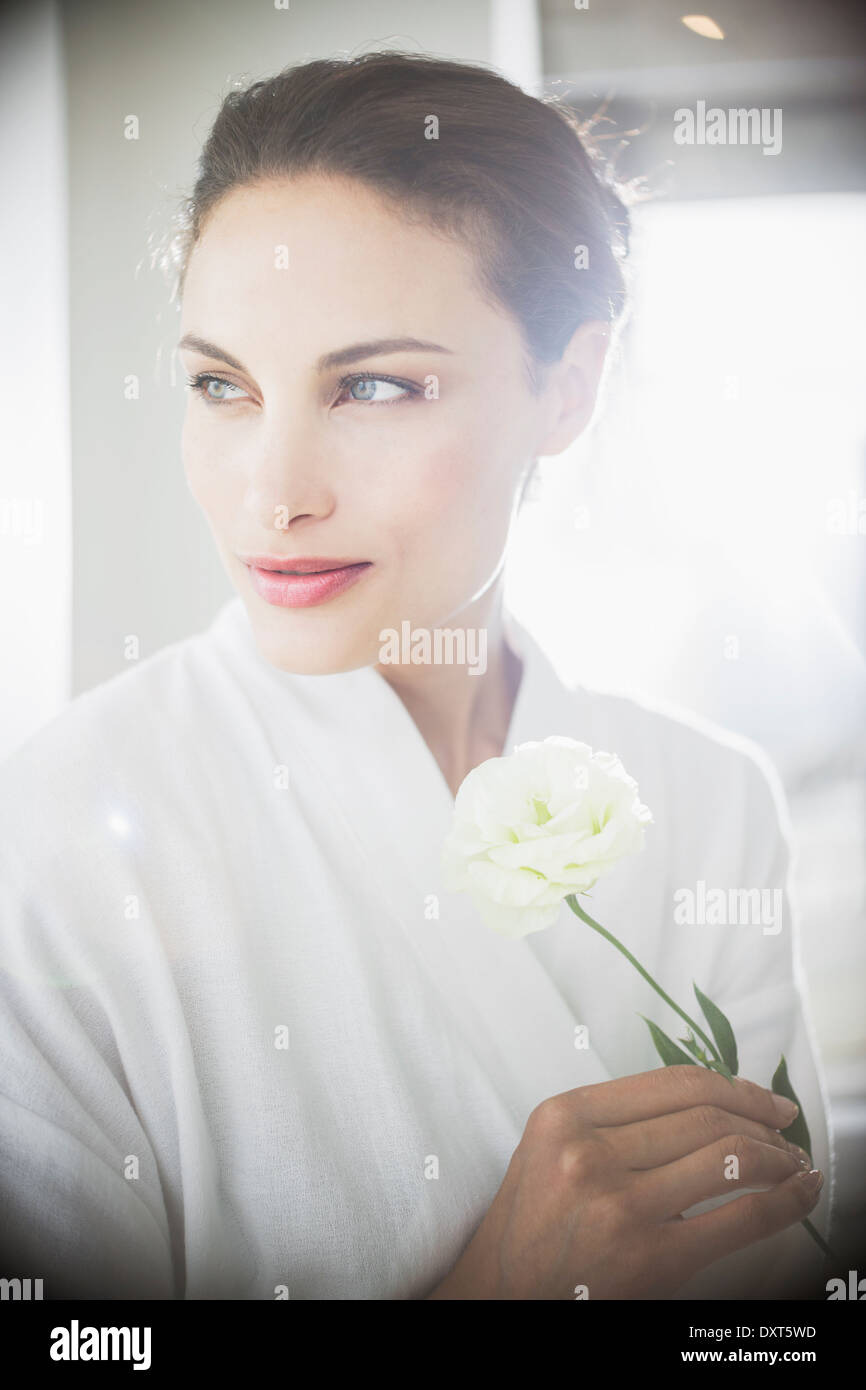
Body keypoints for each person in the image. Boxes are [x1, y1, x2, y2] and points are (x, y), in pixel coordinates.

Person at [0, 51, 832, 1300]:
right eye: (221, 385)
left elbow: (784, 1295)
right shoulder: (57, 828)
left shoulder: (710, 805)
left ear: (568, 385)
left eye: (375, 384)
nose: (272, 495)